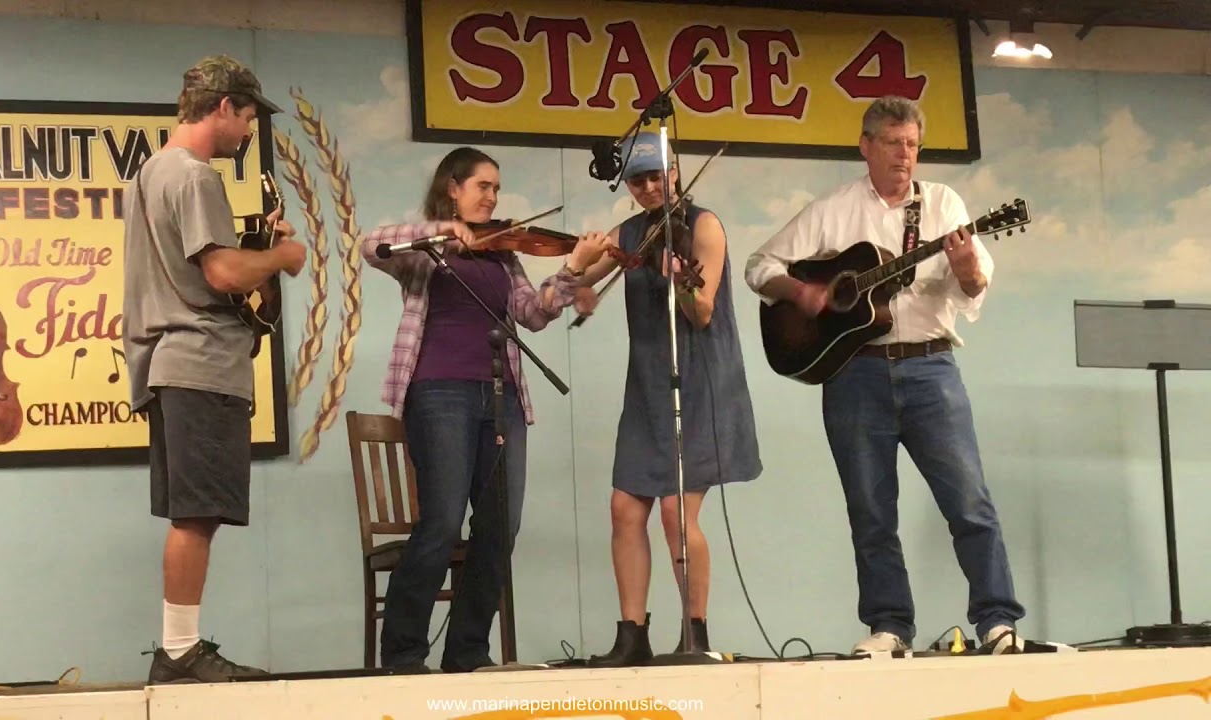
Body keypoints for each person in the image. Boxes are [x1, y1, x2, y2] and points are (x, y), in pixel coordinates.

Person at [744, 95, 1026, 655]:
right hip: (855, 375)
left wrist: (969, 268)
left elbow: (973, 288)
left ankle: (996, 620)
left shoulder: (944, 206)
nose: (905, 154)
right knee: (871, 512)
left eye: (913, 144)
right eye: (894, 143)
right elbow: (759, 267)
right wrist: (802, 291)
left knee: (969, 501)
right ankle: (889, 628)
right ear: (866, 146)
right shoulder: (835, 209)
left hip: (931, 370)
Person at [360, 146, 609, 674]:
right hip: (438, 392)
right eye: (483, 186)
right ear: (453, 187)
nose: (493, 197)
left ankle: (468, 651)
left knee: (500, 527)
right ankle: (402, 655)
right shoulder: (426, 250)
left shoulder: (504, 253)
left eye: (496, 188)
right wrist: (442, 235)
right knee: (444, 523)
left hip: (501, 397)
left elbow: (531, 314)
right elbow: (370, 245)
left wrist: (572, 270)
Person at [122, 55, 307, 684]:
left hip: (167, 364)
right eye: (249, 115)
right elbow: (222, 275)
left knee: (190, 512)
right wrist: (281, 255)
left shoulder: (150, 173)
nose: (251, 129)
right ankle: (179, 653)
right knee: (197, 515)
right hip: (199, 362)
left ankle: (178, 649)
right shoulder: (196, 176)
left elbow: (195, 270)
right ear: (224, 106)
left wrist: (250, 248)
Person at [566, 131, 763, 667]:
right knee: (624, 508)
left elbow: (701, 312)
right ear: (628, 185)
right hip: (649, 384)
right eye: (639, 180)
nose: (651, 187)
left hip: (699, 380)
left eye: (659, 176)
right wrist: (579, 273)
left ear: (674, 172)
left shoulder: (703, 226)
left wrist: (672, 274)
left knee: (676, 511)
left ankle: (694, 632)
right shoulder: (630, 232)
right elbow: (582, 276)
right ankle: (632, 635)